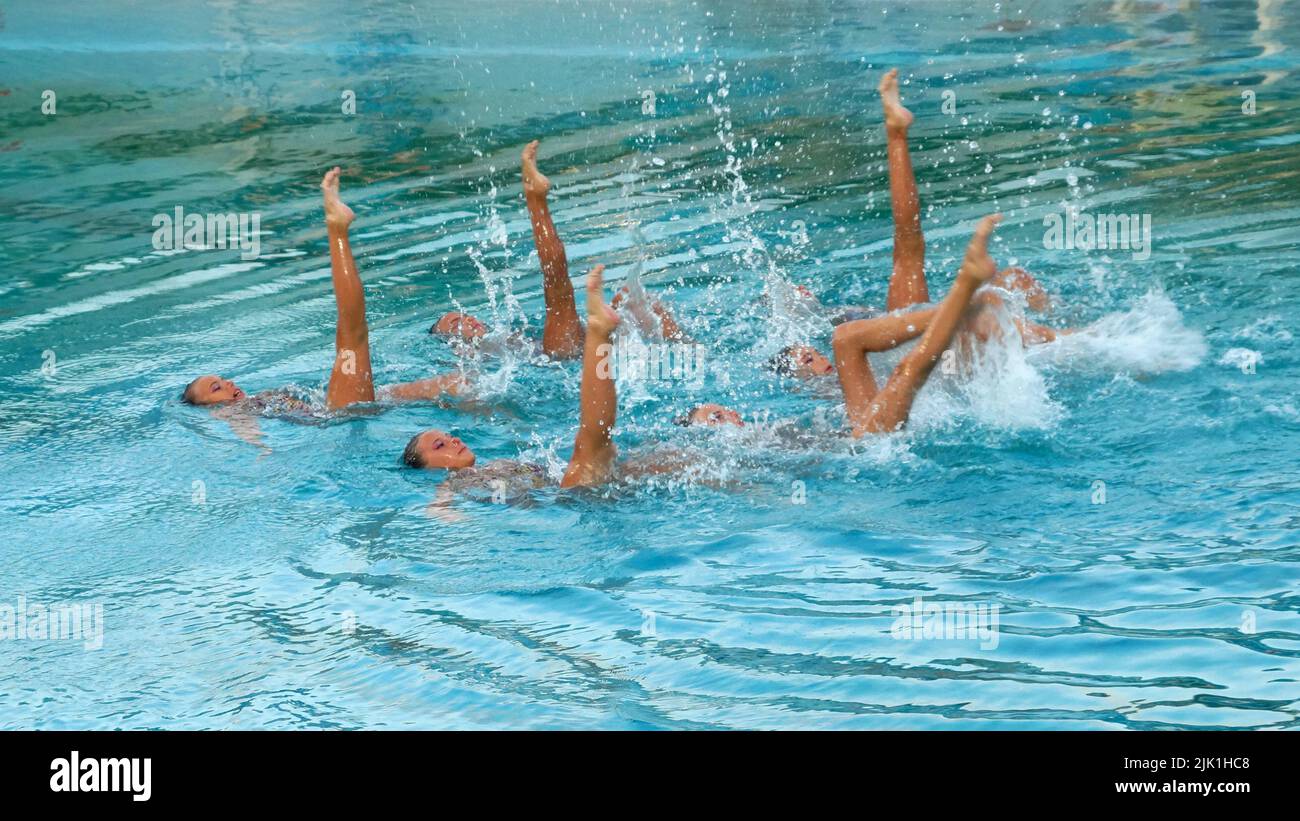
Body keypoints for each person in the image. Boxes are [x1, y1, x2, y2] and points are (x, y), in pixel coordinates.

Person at [770, 68, 1061, 380]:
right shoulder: (845, 383)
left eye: (811, 355)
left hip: (914, 348)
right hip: (927, 363)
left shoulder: (851, 356)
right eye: (807, 362)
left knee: (910, 250)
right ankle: (1067, 338)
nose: (816, 361)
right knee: (974, 302)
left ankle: (897, 134)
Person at [182, 168, 467, 446]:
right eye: (216, 388)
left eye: (222, 380)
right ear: (210, 408)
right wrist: (260, 448)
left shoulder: (256, 398)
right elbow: (246, 428)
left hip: (342, 408)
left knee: (447, 383)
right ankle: (337, 230)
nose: (228, 384)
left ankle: (472, 388)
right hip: (337, 416)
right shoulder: (233, 411)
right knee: (351, 337)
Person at [430, 140, 684, 354]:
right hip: (554, 355)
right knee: (557, 284)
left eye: (464, 315)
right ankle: (535, 199)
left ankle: (688, 349)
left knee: (630, 298)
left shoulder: (503, 335)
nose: (468, 319)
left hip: (561, 347)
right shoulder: (473, 353)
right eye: (455, 323)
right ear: (452, 342)